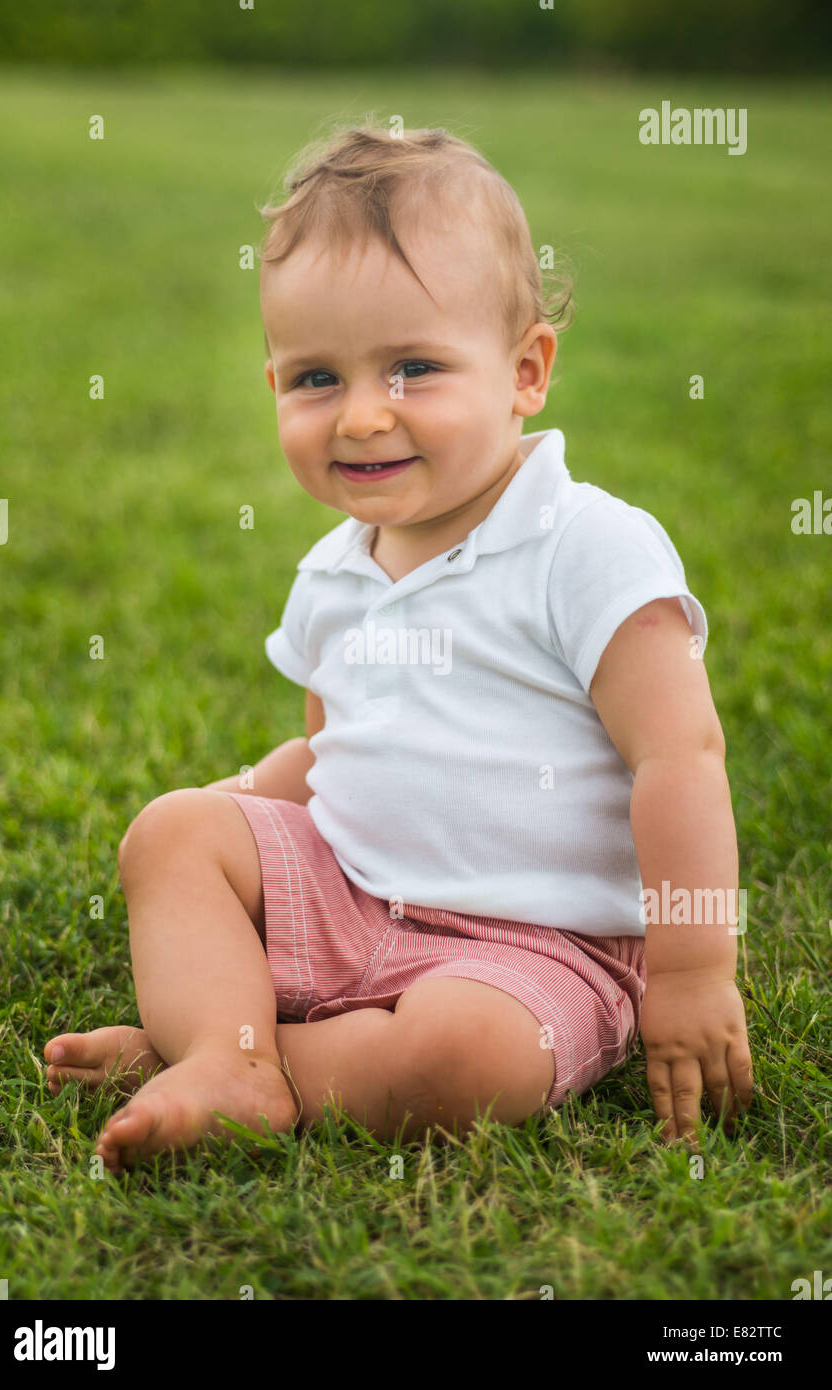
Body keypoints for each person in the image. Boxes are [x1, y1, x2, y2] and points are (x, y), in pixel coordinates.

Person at [44, 124, 752, 1174]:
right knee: (172, 833)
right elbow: (336, 761)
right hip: (357, 897)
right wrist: (228, 812)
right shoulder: (334, 572)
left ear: (525, 370)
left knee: (455, 1060)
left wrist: (693, 967)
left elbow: (678, 756)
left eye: (414, 367)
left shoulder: (586, 545)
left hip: (533, 946)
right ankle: (231, 1053)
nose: (363, 415)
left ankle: (230, 1052)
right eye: (315, 379)